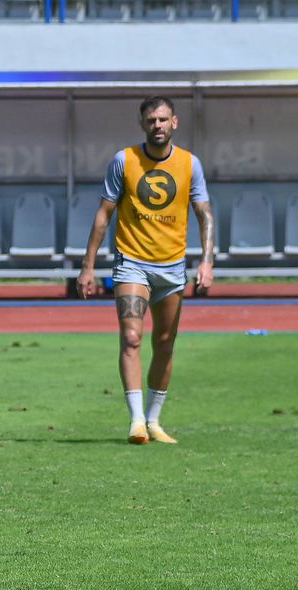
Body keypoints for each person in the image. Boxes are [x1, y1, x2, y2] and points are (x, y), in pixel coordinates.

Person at [78, 96, 215, 445]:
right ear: (142, 124)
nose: (158, 125)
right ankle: (136, 421)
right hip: (132, 263)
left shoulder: (190, 164)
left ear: (174, 122)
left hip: (172, 267)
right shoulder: (124, 161)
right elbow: (103, 214)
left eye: (163, 119)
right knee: (132, 337)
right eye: (151, 120)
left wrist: (207, 260)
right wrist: (87, 266)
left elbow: (205, 214)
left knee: (165, 343)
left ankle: (154, 421)